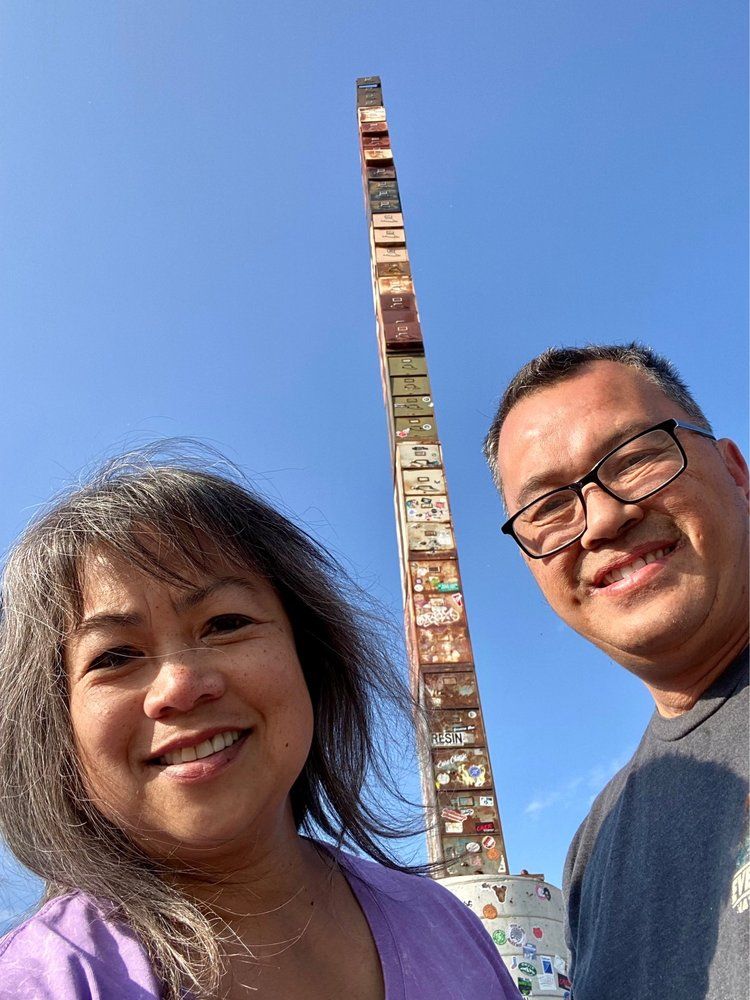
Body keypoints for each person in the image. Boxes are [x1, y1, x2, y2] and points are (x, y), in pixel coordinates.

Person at [0, 449, 519, 1000]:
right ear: (56, 728)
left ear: (309, 655)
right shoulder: (42, 979)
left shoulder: (446, 926)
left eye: (225, 623)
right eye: (113, 656)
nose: (179, 685)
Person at [483, 343, 749, 1000]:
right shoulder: (594, 850)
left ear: (735, 471)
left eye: (634, 459)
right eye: (548, 508)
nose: (602, 520)